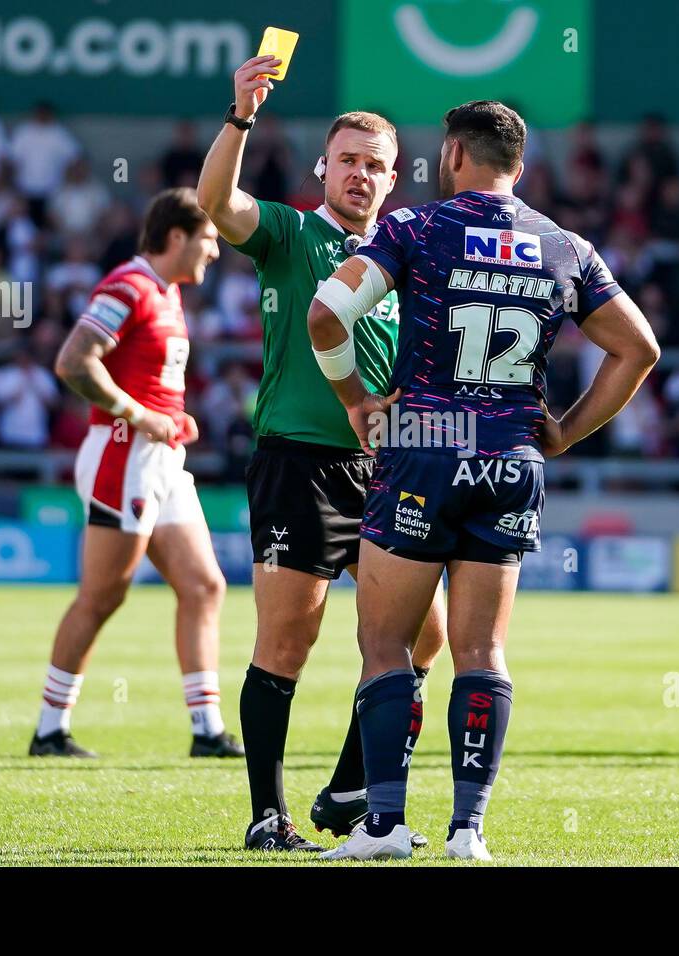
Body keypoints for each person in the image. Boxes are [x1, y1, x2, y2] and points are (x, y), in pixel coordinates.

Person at [308, 100, 660, 860]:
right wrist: (564, 431)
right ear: (520, 167)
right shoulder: (565, 247)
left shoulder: (414, 229)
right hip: (509, 459)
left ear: (454, 156)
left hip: (422, 448)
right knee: (482, 650)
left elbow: (327, 314)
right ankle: (469, 829)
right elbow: (640, 351)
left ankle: (383, 828)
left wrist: (357, 402)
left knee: (386, 645)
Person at [197, 54, 447, 853]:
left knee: (426, 638)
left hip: (386, 470)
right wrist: (240, 116)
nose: (361, 176)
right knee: (288, 642)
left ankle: (347, 785)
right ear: (323, 168)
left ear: (395, 176)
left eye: (376, 166)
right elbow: (213, 203)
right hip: (297, 462)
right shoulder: (290, 233)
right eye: (348, 162)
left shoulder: (408, 259)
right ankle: (266, 817)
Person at [28, 188, 242, 760]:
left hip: (159, 458)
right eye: (208, 239)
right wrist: (141, 415)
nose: (215, 252)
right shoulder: (128, 286)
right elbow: (73, 361)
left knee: (204, 586)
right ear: (176, 236)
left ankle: (206, 730)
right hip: (122, 456)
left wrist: (170, 420)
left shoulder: (165, 292)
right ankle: (50, 729)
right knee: (102, 596)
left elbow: (146, 379)